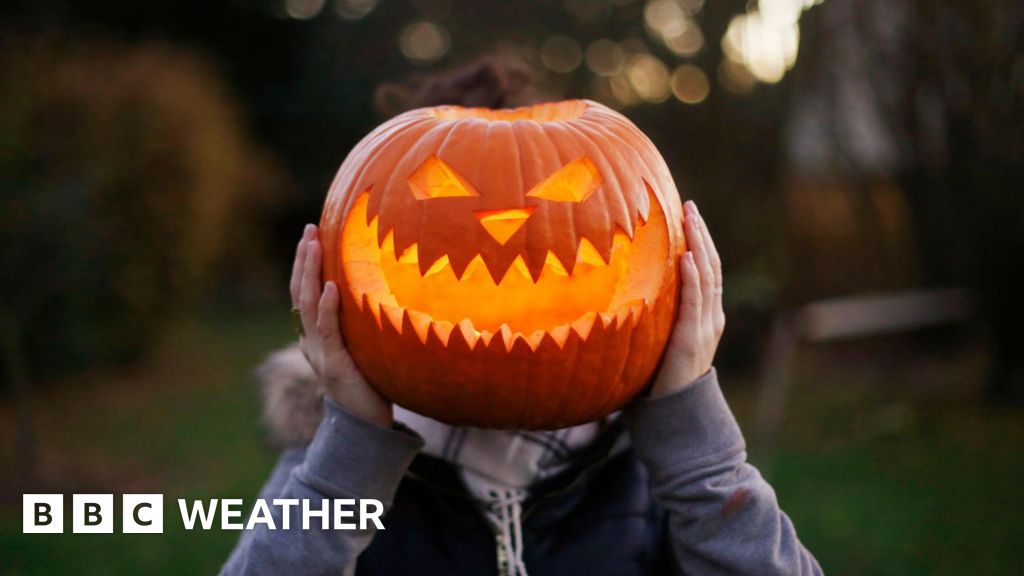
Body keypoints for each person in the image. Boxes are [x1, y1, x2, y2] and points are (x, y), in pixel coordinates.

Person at [222, 59, 822, 576]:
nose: (503, 222)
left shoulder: (661, 479)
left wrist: (698, 452)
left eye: (563, 187)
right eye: (439, 189)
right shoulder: (330, 472)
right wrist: (349, 449)